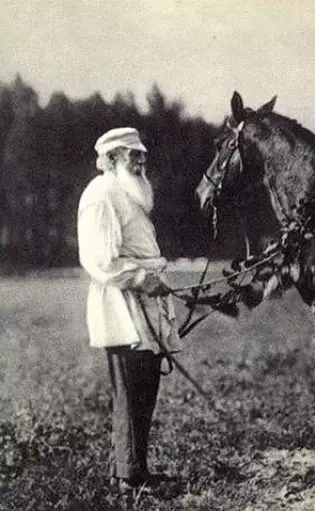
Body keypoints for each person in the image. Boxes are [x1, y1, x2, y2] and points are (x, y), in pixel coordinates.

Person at [77, 127, 182, 492]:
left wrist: (151, 279)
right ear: (110, 160)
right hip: (121, 307)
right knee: (131, 391)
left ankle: (130, 470)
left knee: (144, 388)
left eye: (142, 154)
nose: (141, 161)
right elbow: (98, 260)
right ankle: (129, 477)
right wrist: (141, 278)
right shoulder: (101, 195)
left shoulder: (128, 194)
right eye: (131, 155)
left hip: (145, 303)